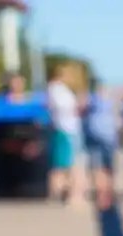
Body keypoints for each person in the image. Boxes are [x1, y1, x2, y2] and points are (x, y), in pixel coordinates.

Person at [46, 64, 86, 206]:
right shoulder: (55, 89)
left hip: (71, 129)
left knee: (70, 163)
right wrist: (78, 105)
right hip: (64, 129)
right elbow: (63, 107)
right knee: (62, 164)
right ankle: (59, 192)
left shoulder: (63, 89)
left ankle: (66, 191)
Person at [82, 77, 120, 209]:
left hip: (95, 136)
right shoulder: (110, 100)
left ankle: (102, 196)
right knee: (107, 168)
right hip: (108, 137)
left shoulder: (91, 100)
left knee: (98, 168)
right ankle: (107, 194)